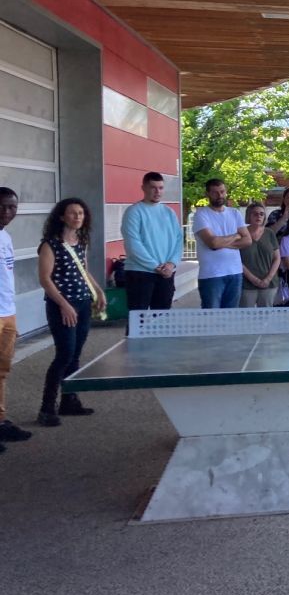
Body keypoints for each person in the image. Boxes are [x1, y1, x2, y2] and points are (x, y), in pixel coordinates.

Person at [37, 198, 106, 427]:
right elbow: (45, 279)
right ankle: (47, 408)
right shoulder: (50, 244)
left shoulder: (80, 241)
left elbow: (84, 271)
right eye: (73, 213)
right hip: (61, 306)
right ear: (61, 216)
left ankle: (69, 401)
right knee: (64, 354)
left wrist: (98, 291)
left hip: (83, 303)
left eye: (81, 213)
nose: (78, 217)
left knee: (75, 354)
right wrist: (64, 305)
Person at [121, 171, 183, 311]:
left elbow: (178, 240)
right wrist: (155, 266)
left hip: (166, 273)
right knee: (138, 321)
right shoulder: (134, 212)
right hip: (140, 273)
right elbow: (133, 244)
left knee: (161, 321)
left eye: (160, 188)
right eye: (153, 187)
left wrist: (171, 263)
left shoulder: (169, 213)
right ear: (143, 188)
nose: (157, 192)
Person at [0, 187, 32, 450]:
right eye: (3, 206)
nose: (8, 212)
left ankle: (0, 421)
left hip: (7, 312)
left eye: (12, 207)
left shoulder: (6, 237)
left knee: (2, 371)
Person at [193, 178, 251, 309]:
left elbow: (248, 240)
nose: (220, 195)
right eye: (215, 192)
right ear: (207, 194)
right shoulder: (201, 215)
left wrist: (222, 243)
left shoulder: (234, 213)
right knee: (212, 319)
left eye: (222, 191)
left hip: (235, 272)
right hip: (211, 274)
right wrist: (236, 235)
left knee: (230, 318)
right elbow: (212, 243)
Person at [239, 202, 281, 308]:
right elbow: (236, 260)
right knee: (246, 318)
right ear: (249, 216)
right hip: (247, 284)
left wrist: (267, 279)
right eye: (255, 214)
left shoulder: (269, 233)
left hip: (269, 283)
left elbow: (277, 258)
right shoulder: (241, 234)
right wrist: (254, 279)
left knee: (266, 319)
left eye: (262, 214)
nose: (259, 216)